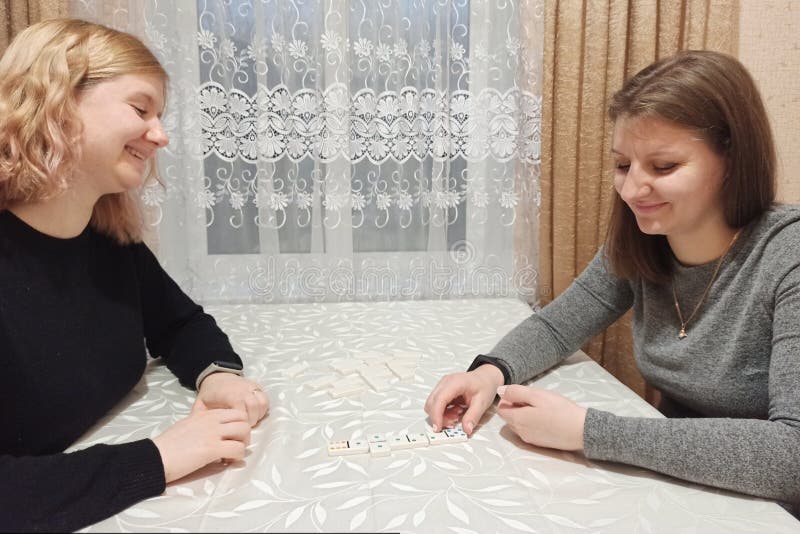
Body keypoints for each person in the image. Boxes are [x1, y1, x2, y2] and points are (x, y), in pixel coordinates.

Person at [425, 49, 800, 514]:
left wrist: (587, 431)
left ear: (732, 160)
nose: (632, 190)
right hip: (680, 486)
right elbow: (557, 325)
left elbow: (791, 456)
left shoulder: (789, 255)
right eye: (623, 165)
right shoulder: (644, 240)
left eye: (663, 167)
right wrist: (489, 372)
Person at [0, 19, 270, 531]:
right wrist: (159, 458)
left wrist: (216, 376)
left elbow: (180, 324)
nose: (161, 136)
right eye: (140, 108)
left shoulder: (109, 243)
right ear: (55, 99)